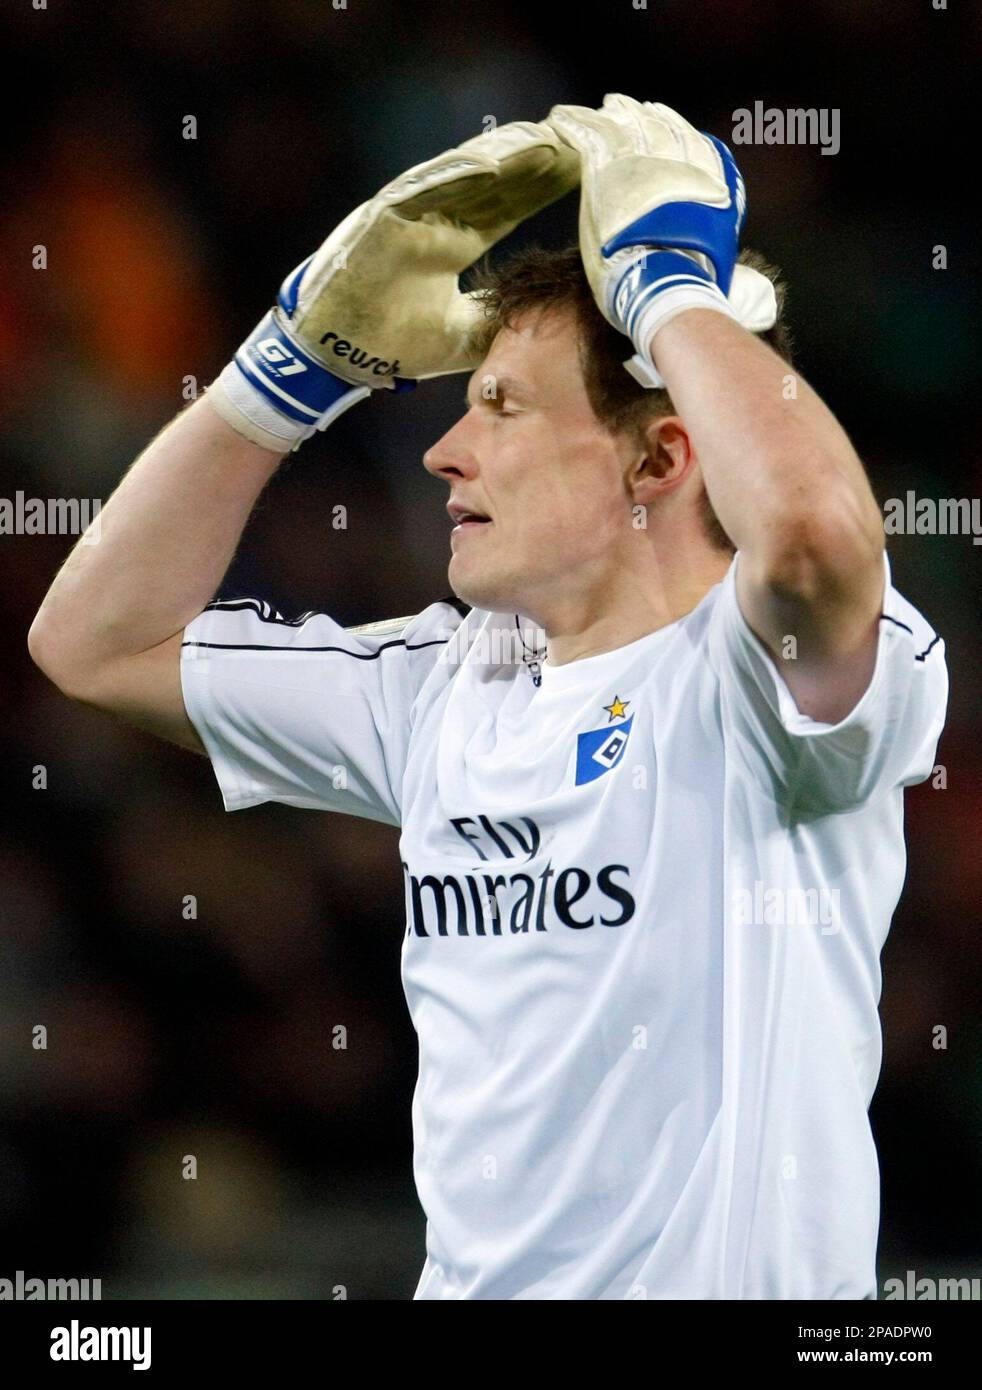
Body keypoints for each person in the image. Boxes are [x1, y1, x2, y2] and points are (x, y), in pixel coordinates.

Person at [28, 98, 948, 1299]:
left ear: (661, 458)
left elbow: (818, 539)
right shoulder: (443, 686)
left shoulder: (763, 684)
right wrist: (284, 381)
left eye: (500, 406)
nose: (441, 451)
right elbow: (89, 640)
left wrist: (670, 288)